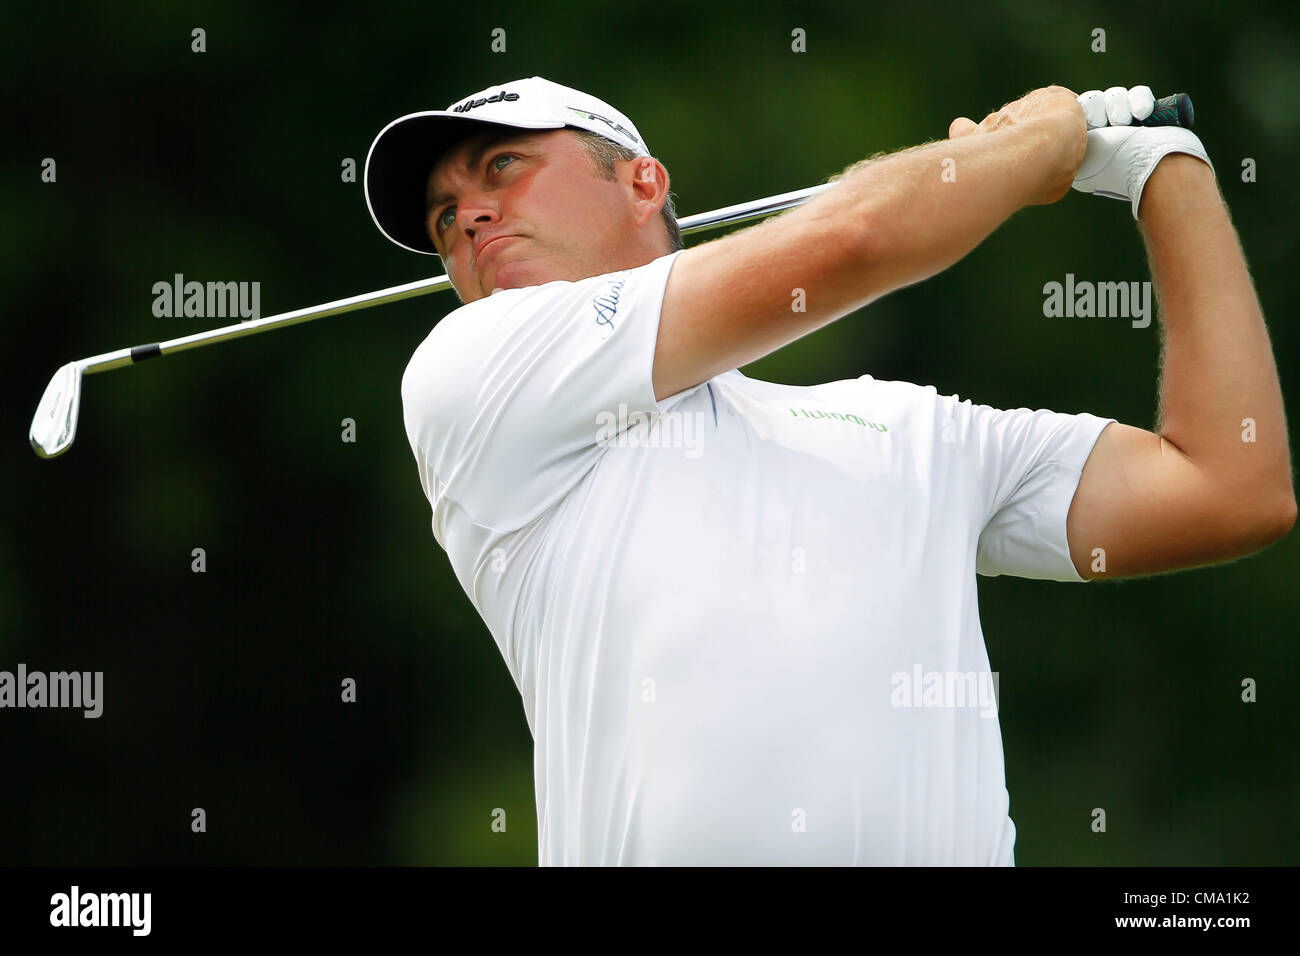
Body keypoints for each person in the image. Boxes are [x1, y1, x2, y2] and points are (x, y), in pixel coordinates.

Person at [364, 76, 1294, 865]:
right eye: (446, 216)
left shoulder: (908, 429)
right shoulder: (471, 371)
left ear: (644, 183)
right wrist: (1037, 144)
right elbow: (854, 243)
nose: (471, 215)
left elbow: (1229, 487)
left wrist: (1164, 170)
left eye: (503, 168)